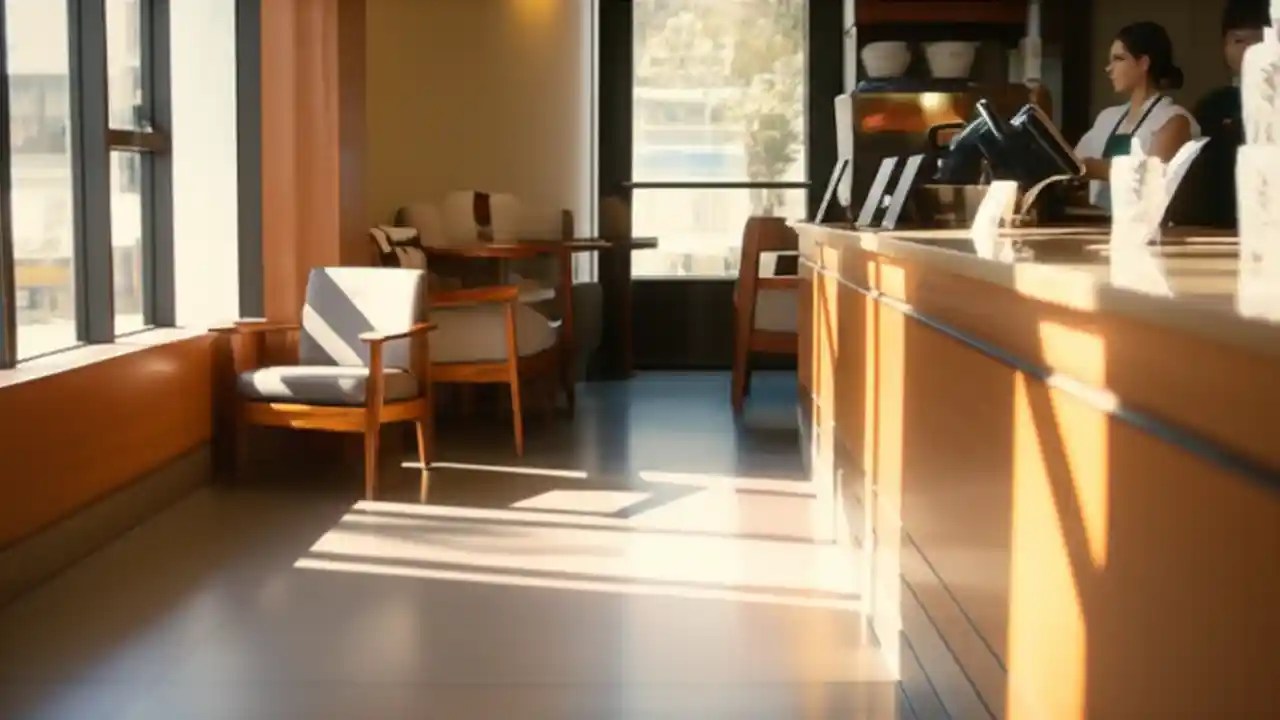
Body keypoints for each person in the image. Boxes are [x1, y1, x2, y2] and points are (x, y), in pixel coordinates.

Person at [1075, 22, 1201, 210]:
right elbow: (1072, 163)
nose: (1109, 69)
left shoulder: (1175, 120)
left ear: (1143, 63)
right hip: (1098, 221)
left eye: (1118, 59)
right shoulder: (1107, 118)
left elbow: (1151, 176)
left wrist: (1091, 167)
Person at [1192, 0, 1270, 227]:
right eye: (1238, 41)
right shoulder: (1211, 106)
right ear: (1224, 46)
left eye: (1259, 41)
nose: (1248, 50)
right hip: (1218, 225)